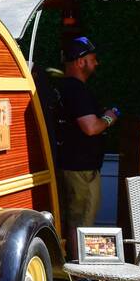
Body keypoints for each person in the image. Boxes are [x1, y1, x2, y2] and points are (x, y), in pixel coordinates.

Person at [55, 36, 120, 261]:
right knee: (81, 221)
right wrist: (110, 118)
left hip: (73, 164)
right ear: (80, 62)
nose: (97, 63)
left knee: (77, 218)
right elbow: (91, 127)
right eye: (93, 59)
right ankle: (82, 274)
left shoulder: (64, 87)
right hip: (80, 168)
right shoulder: (76, 90)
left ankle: (77, 268)